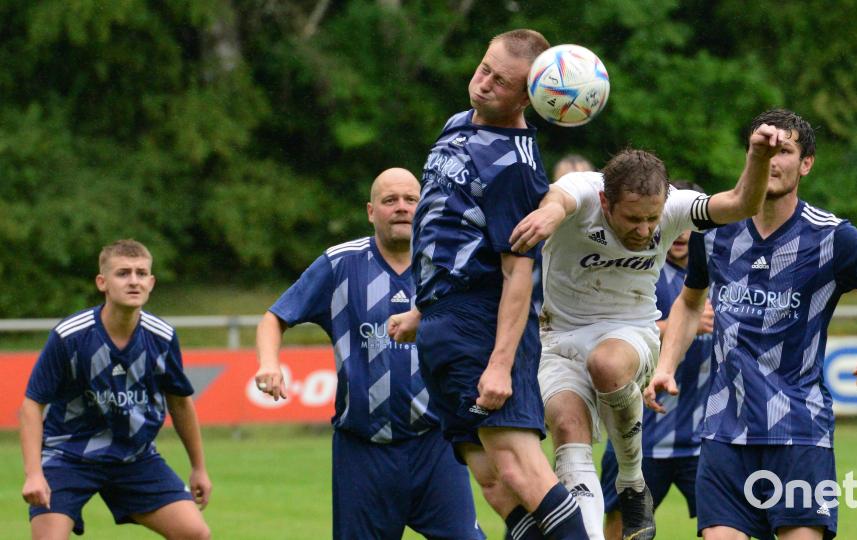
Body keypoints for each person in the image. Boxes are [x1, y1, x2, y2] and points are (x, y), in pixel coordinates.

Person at [644, 109, 857, 540]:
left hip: (798, 432)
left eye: (785, 151)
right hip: (724, 432)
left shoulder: (834, 238)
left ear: (806, 164)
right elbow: (690, 304)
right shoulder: (713, 232)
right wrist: (666, 366)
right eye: (762, 150)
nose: (773, 160)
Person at [508, 124, 792, 539]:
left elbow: (738, 204)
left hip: (631, 330)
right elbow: (559, 197)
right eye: (632, 219)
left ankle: (631, 480)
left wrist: (758, 158)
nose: (644, 231)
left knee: (605, 364)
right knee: (569, 436)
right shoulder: (583, 192)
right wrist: (550, 213)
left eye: (651, 220)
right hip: (558, 339)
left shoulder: (676, 205)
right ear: (606, 202)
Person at [389, 29, 591, 539]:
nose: (482, 84)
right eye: (483, 69)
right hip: (444, 321)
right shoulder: (456, 125)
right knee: (493, 481)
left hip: (484, 326)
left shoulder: (515, 166)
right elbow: (445, 224)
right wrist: (425, 308)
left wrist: (500, 363)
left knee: (518, 467)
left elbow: (517, 271)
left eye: (500, 83)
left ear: (529, 97)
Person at [254, 168, 483, 540]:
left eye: (411, 200)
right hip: (363, 452)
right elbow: (274, 317)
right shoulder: (339, 264)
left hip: (435, 445)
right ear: (370, 211)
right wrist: (269, 363)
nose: (401, 208)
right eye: (389, 200)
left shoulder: (448, 264)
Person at [19, 239, 212, 539]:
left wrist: (198, 467)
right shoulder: (70, 336)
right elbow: (32, 404)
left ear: (151, 282)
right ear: (102, 282)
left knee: (195, 533)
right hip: (68, 456)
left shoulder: (162, 337)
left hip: (134, 458)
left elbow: (181, 403)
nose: (133, 281)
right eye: (123, 273)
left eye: (140, 273)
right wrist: (34, 474)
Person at [599, 181, 715, 540]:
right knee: (622, 527)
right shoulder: (631, 271)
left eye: (687, 225)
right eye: (671, 222)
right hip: (639, 433)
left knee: (727, 526)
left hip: (705, 437)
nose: (679, 235)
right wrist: (676, 326)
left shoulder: (721, 273)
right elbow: (605, 335)